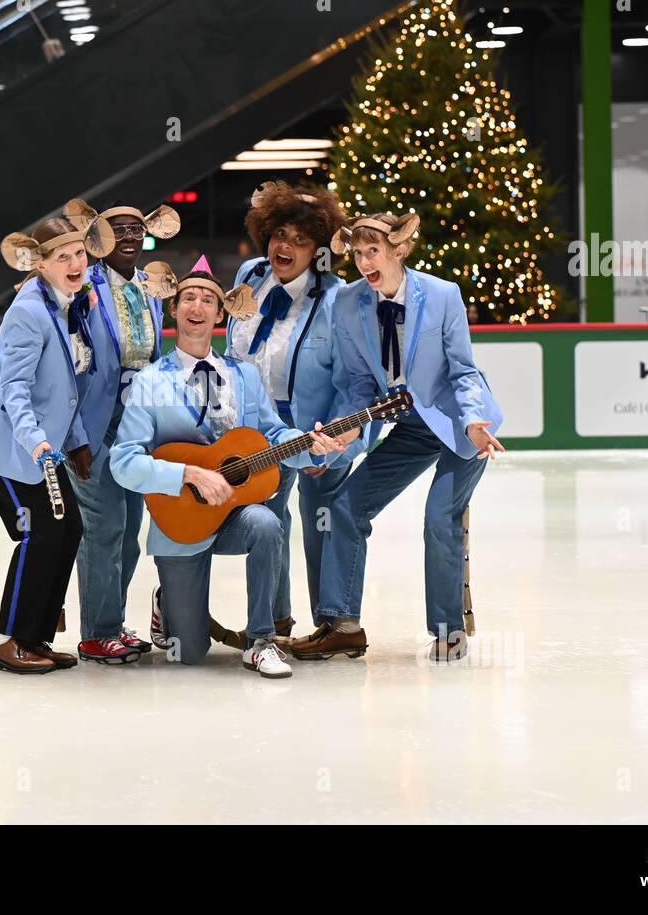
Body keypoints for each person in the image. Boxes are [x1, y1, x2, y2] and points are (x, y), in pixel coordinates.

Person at [110, 258, 348, 679]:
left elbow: (273, 438)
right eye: (188, 298)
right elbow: (124, 463)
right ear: (174, 309)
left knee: (267, 522)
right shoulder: (149, 381)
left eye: (207, 300)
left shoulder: (244, 375)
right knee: (189, 654)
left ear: (220, 314)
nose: (196, 306)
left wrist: (312, 449)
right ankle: (168, 604)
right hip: (180, 520)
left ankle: (260, 641)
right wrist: (187, 474)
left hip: (236, 514)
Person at [293, 211, 504, 663]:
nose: (364, 262)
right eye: (357, 253)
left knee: (437, 518)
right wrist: (343, 436)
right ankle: (341, 623)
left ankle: (448, 630)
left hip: (459, 425)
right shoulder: (348, 303)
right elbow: (358, 387)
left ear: (399, 250)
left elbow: (464, 371)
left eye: (374, 252)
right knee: (346, 507)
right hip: (407, 426)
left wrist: (472, 420)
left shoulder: (443, 294)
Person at [0, 202, 114, 675]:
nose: (75, 264)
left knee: (69, 529)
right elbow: (13, 389)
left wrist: (76, 440)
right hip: (2, 439)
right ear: (40, 264)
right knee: (36, 532)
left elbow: (66, 388)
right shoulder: (28, 313)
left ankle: (34, 637)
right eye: (62, 257)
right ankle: (3, 641)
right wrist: (37, 442)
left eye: (79, 253)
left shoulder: (65, 305)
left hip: (40, 441)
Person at [221, 180, 364, 646]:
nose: (287, 246)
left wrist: (339, 443)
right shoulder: (251, 274)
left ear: (319, 250)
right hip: (253, 431)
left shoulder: (338, 299)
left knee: (323, 519)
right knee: (267, 520)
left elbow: (353, 380)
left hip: (314, 432)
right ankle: (274, 621)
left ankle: (336, 625)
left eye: (302, 241)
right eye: (281, 234)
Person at [66, 199, 181, 665]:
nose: (130, 237)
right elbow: (66, 370)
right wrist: (75, 437)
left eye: (137, 229)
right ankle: (97, 632)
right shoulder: (82, 289)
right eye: (118, 230)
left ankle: (111, 621)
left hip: (137, 427)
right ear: (97, 238)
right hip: (94, 428)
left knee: (131, 528)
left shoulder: (151, 290)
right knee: (104, 526)